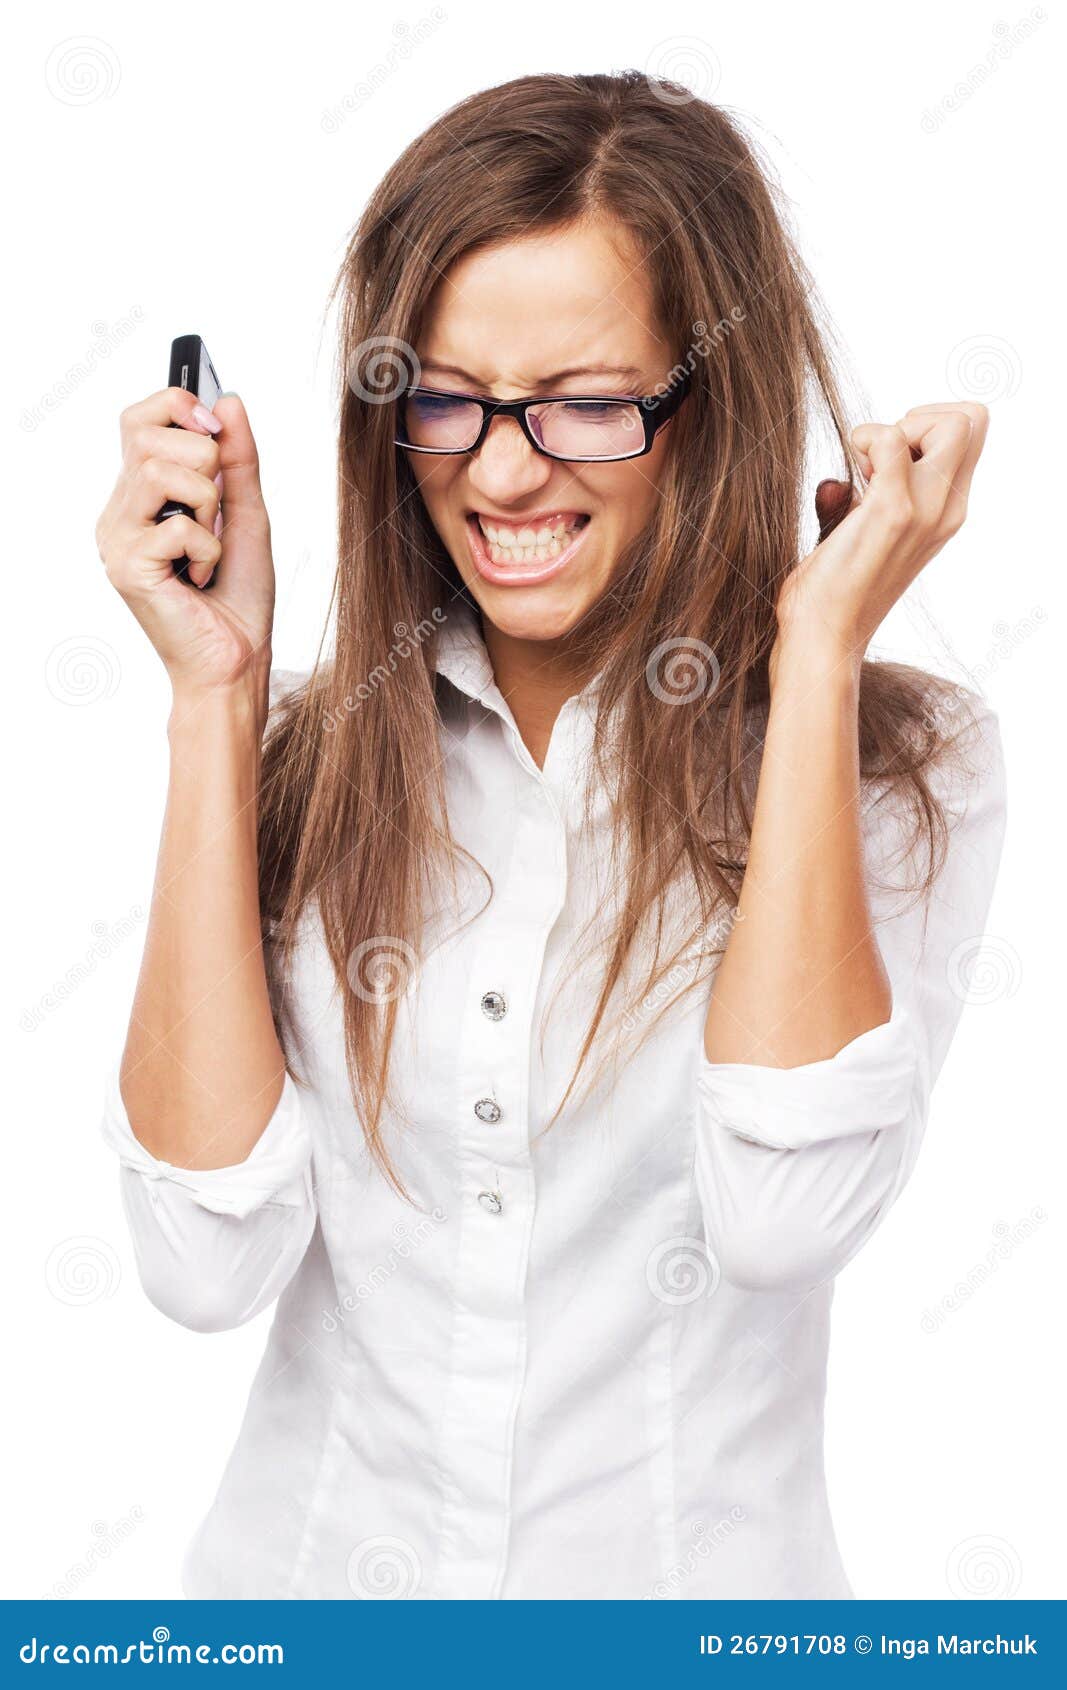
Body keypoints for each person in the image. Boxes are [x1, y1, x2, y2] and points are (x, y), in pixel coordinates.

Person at [94, 71, 1006, 1600]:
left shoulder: (902, 765)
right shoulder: (309, 756)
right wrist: (217, 698)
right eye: (446, 398)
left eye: (588, 403)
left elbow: (785, 1215)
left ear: (710, 400)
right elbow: (201, 1266)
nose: (504, 471)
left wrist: (820, 645)